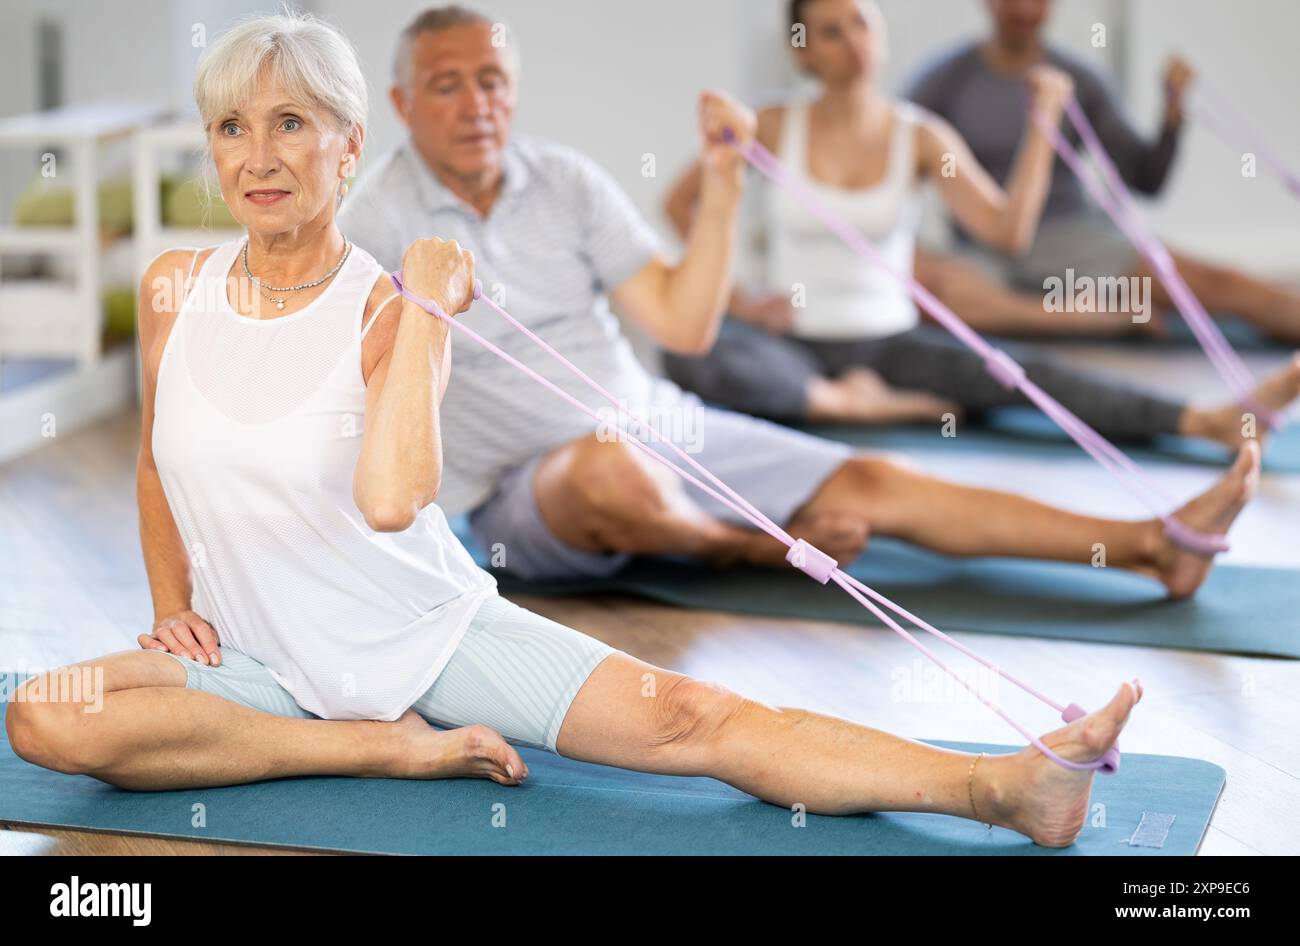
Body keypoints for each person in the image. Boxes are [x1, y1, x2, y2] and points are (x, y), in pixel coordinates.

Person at [5, 10, 1155, 850]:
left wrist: (420, 312)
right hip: (261, 661)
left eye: (291, 123)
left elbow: (394, 500)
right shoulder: (173, 288)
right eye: (232, 128)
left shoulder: (386, 306)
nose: (257, 157)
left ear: (348, 149)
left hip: (422, 636)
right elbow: (158, 463)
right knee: (42, 719)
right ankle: (380, 746)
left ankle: (996, 789)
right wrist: (171, 609)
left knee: (693, 717)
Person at [338, 5, 1257, 601]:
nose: (474, 104)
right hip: (524, 495)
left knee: (873, 479)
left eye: (490, 80)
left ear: (514, 89)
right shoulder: (374, 219)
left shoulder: (567, 179)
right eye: (446, 85)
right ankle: (746, 548)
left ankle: (1150, 544)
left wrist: (730, 184)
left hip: (664, 425)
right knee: (599, 472)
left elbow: (682, 324)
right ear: (402, 103)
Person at [661, 0, 1300, 443]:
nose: (852, 41)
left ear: (880, 33)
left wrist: (1043, 128)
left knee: (1024, 375)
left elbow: (1007, 231)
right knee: (686, 353)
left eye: (861, 22)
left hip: (888, 343)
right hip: (791, 344)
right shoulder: (770, 123)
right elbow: (677, 204)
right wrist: (741, 304)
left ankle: (1203, 421)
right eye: (829, 31)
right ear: (803, 53)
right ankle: (846, 403)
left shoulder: (919, 135)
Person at [906, 0, 1300, 343]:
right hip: (985, 255)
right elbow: (890, 155)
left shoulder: (1080, 81)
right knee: (928, 293)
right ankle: (1084, 317)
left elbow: (1146, 180)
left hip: (1077, 247)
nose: (1024, 9)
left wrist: (1172, 117)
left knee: (1222, 286)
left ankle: (1069, 309)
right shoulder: (943, 82)